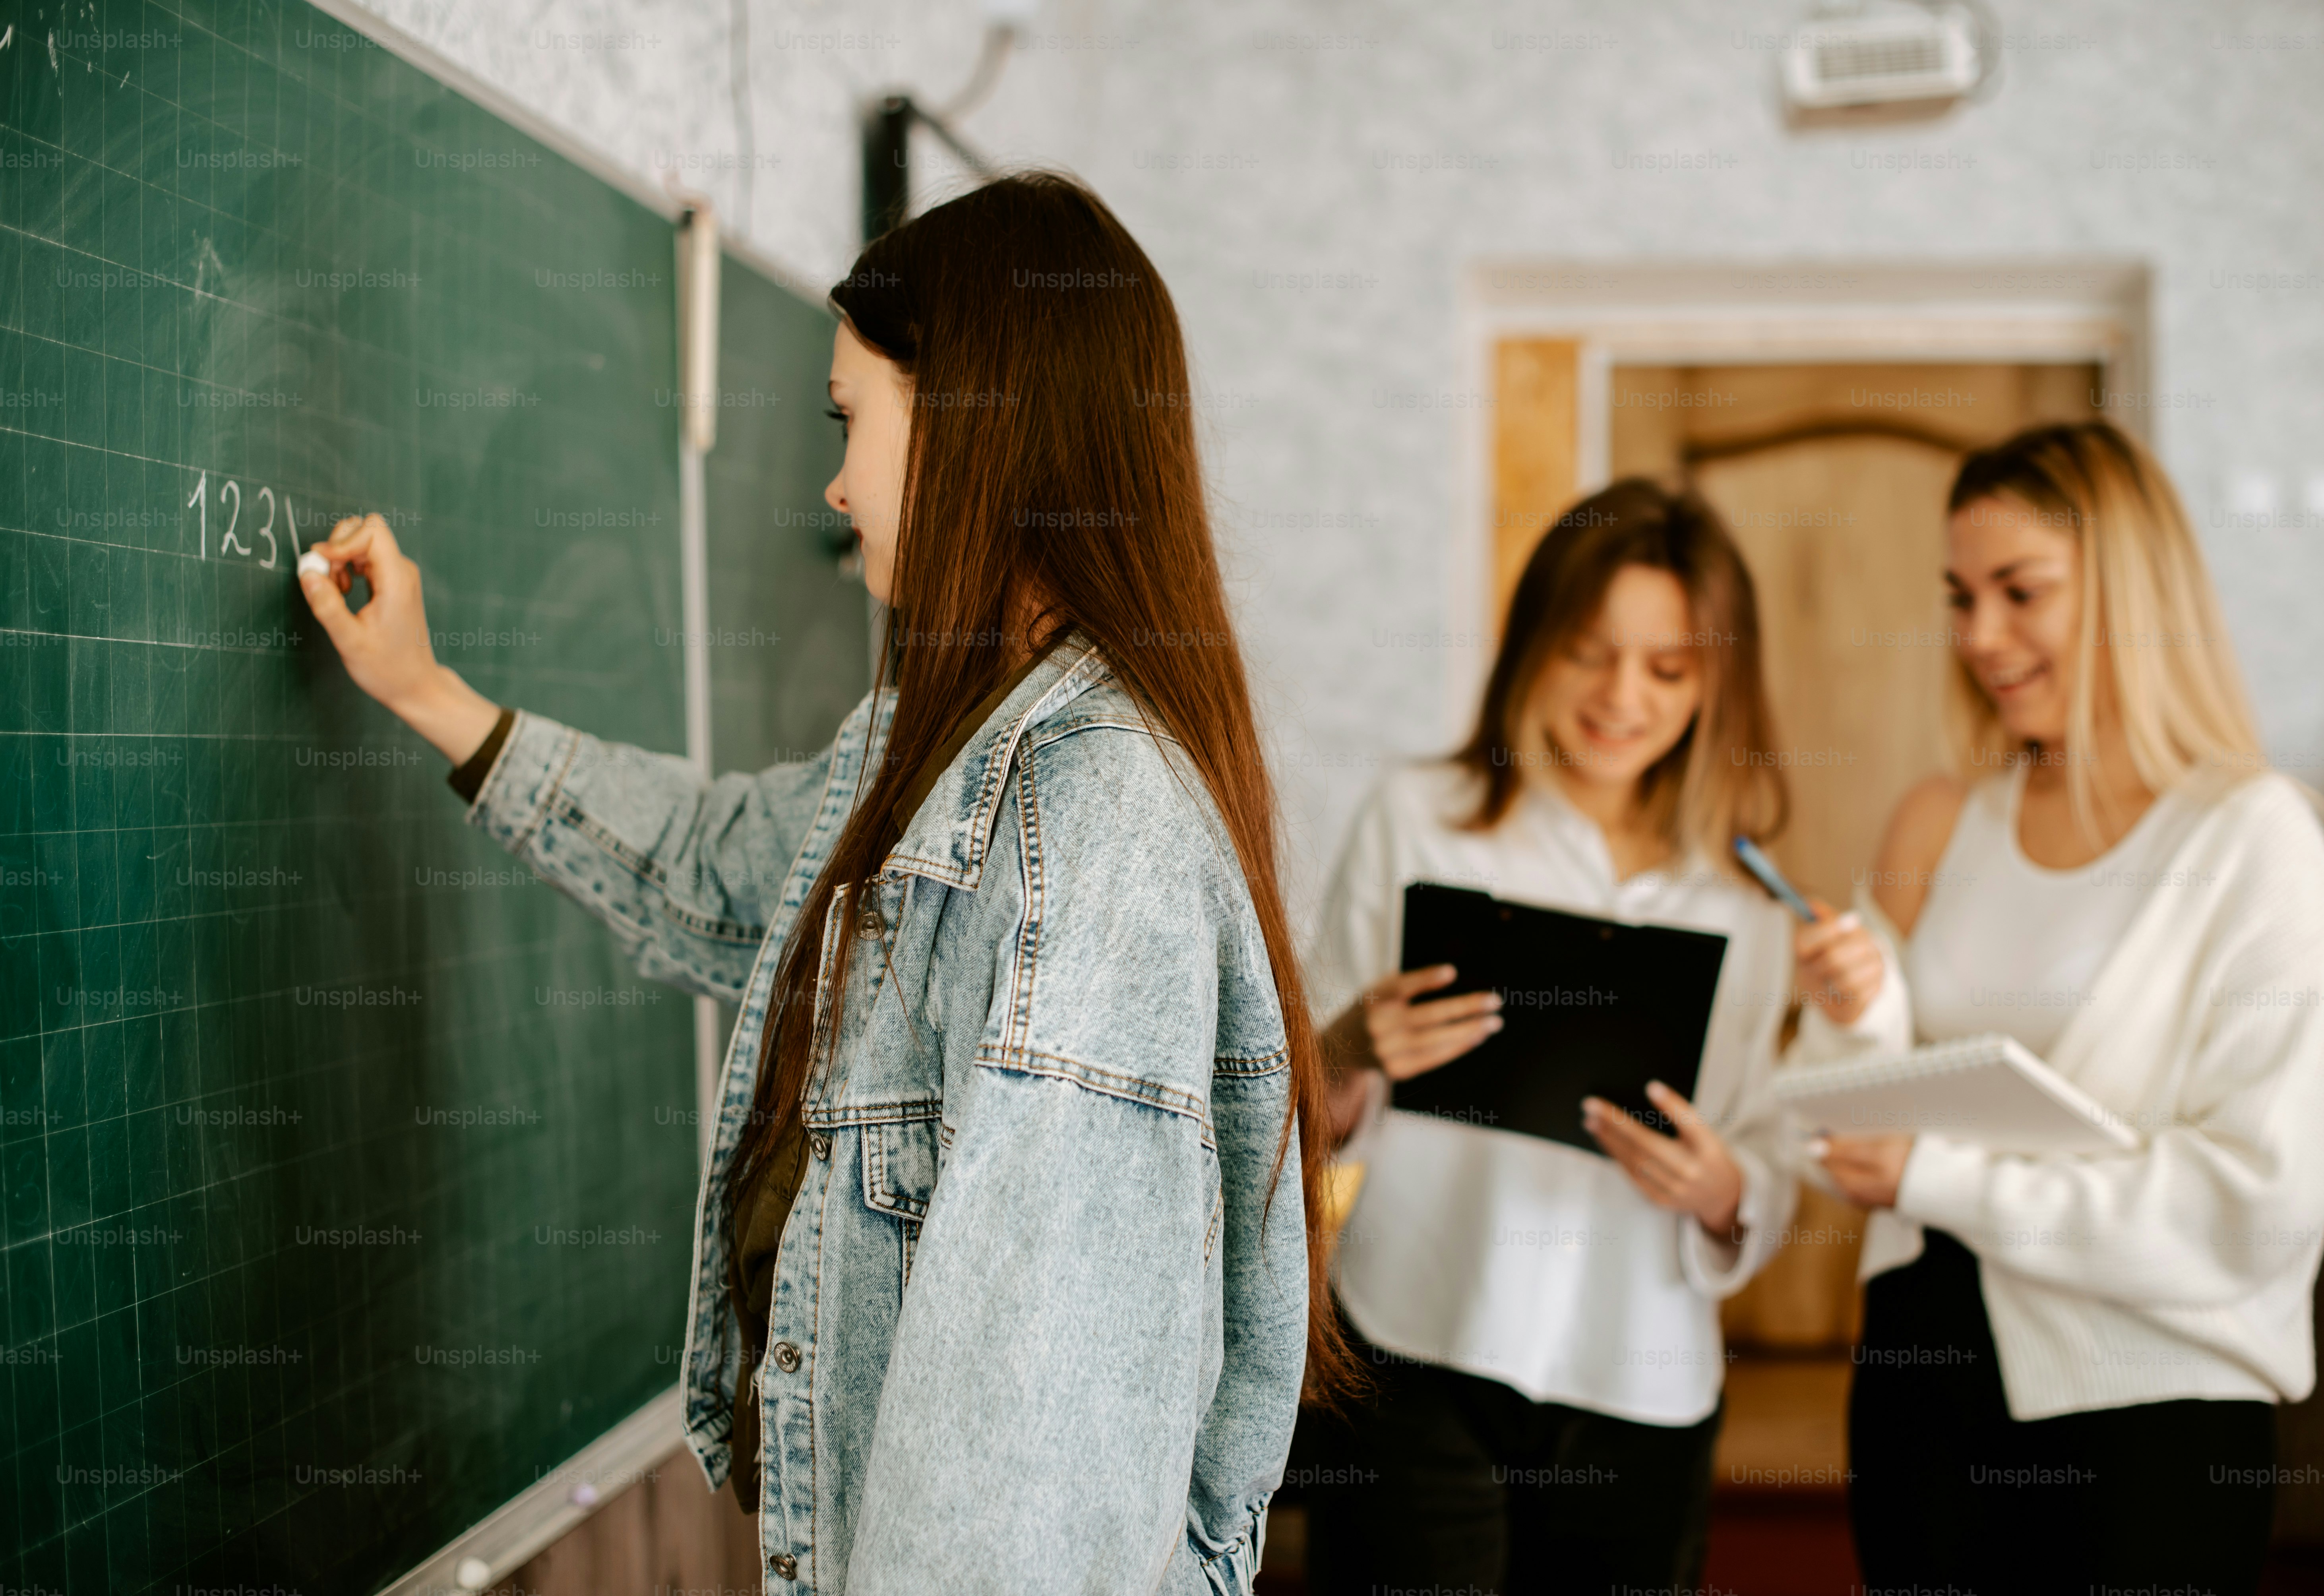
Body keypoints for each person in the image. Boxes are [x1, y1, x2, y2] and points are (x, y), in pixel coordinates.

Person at [296, 173, 1352, 1596]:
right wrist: (433, 699)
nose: (839, 485)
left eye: (854, 422)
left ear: (983, 424)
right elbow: (727, 874)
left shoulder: (1089, 820)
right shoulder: (940, 744)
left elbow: (1018, 1487)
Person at [1298, 480, 1904, 1594]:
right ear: (1535, 643)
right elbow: (1305, 1115)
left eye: (1669, 670)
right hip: (1414, 1342)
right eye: (1589, 652)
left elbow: (1765, 1164)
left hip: (1640, 1376)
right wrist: (1351, 1046)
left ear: (1718, 682)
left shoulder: (1749, 900)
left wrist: (1724, 1188)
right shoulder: (1418, 816)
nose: (1622, 697)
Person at [1816, 421, 2324, 1596]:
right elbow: (1841, 1110)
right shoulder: (1938, 821)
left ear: (2131, 591)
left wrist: (1943, 1178)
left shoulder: (2251, 842)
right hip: (1927, 1376)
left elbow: (2257, 1204)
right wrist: (1854, 1014)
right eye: (1961, 596)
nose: (1980, 636)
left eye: (2022, 592)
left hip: (2149, 1410)